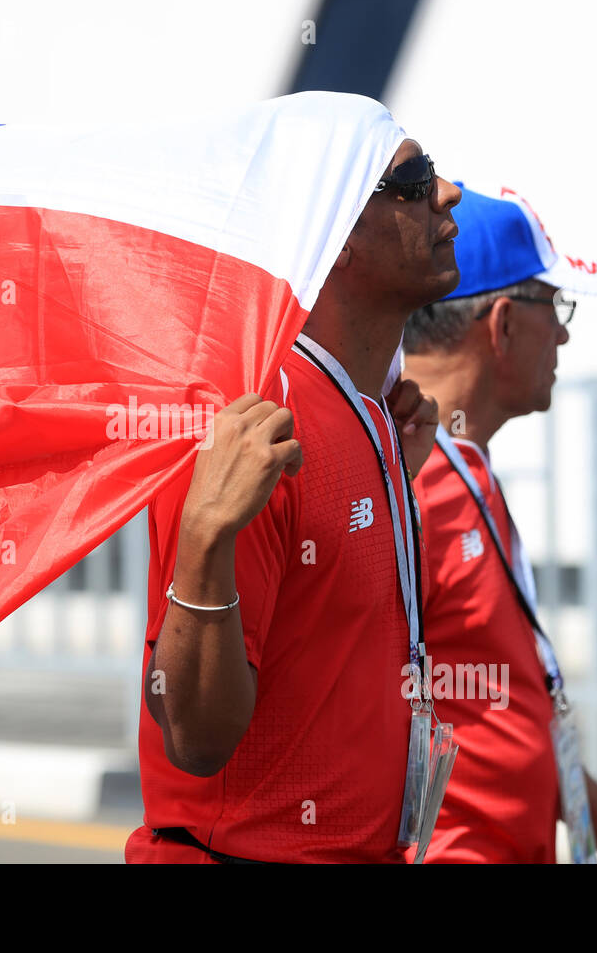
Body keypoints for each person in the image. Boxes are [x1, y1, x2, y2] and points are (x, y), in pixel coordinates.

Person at [125, 137, 459, 863]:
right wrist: (207, 535)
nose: (450, 195)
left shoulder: (373, 415)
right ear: (333, 229)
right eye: (414, 180)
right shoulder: (254, 418)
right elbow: (195, 736)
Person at [400, 183, 597, 863]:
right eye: (557, 306)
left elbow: (516, 711)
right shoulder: (409, 480)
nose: (566, 332)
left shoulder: (459, 467)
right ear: (505, 324)